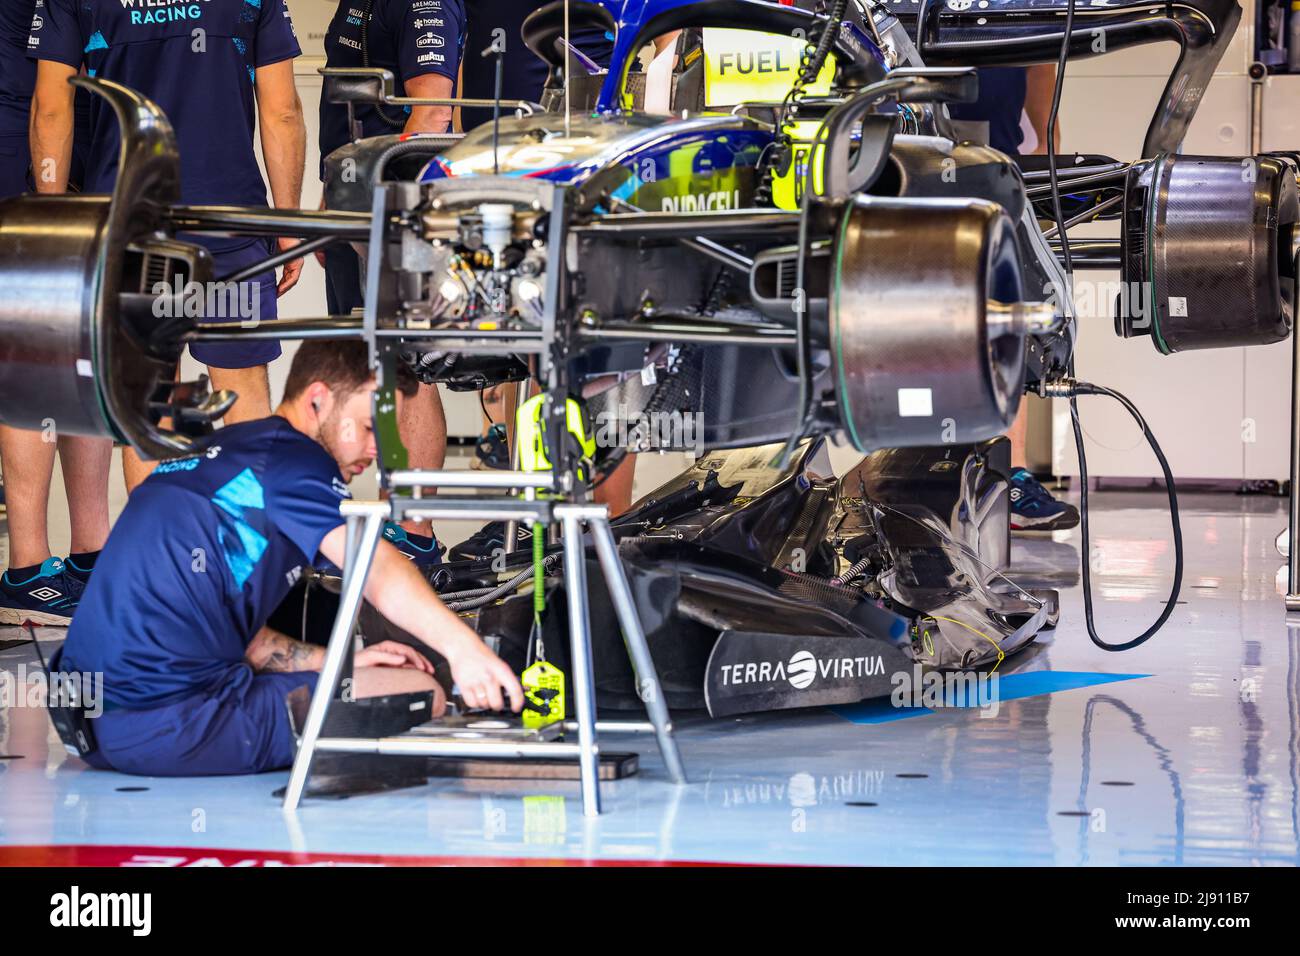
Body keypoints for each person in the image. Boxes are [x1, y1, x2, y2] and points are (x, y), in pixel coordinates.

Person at [53, 341, 524, 777]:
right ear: (317, 399)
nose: (382, 450)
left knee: (349, 660)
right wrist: (466, 649)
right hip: (168, 728)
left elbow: (226, 630)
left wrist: (339, 663)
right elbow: (376, 568)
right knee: (420, 693)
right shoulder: (296, 464)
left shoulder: (224, 452)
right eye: (367, 427)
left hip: (87, 727)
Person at [317, 0, 467, 550]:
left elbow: (431, 117)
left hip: (391, 210)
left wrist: (380, 216)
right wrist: (331, 200)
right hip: (355, 202)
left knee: (407, 366)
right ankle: (393, 510)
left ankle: (413, 528)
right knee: (374, 361)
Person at [0, 0, 105, 625]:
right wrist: (48, 201)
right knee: (34, 360)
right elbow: (46, 99)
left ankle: (90, 552)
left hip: (83, 149)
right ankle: (28, 570)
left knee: (81, 356)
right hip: (27, 151)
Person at [949, 65, 1080, 532]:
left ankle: (1009, 478)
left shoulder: (1014, 15)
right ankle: (925, 474)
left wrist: (1045, 190)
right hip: (902, 177)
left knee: (1008, 322)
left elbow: (1044, 123)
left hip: (995, 181)